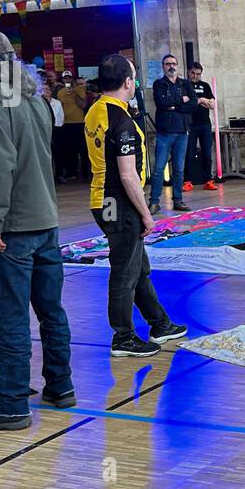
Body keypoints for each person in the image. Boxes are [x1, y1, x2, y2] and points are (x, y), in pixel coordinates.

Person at [0, 29, 74, 433]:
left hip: (14, 226)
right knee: (52, 311)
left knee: (11, 319)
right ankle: (60, 387)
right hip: (47, 219)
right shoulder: (36, 99)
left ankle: (11, 406)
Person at [86, 54, 187, 358]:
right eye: (133, 78)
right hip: (120, 202)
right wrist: (146, 213)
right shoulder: (122, 121)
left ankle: (160, 323)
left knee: (137, 267)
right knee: (125, 271)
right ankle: (123, 337)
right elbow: (128, 175)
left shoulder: (95, 111)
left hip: (103, 198)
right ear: (128, 82)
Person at [150, 54, 192, 212]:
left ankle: (178, 200)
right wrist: (182, 101)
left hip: (182, 131)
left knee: (179, 169)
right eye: (168, 64)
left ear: (177, 65)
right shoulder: (159, 84)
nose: (171, 66)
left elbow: (193, 104)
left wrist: (175, 105)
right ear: (163, 66)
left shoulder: (185, 84)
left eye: (173, 63)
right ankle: (154, 202)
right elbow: (162, 103)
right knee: (159, 168)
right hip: (164, 132)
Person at [183, 61, 218, 193]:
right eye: (193, 73)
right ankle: (187, 181)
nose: (195, 76)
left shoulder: (205, 86)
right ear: (189, 72)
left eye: (198, 74)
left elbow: (212, 104)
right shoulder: (185, 85)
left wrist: (199, 100)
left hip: (205, 124)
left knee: (207, 153)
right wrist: (201, 100)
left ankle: (208, 180)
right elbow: (187, 104)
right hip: (191, 125)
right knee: (190, 154)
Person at [56, 71, 90, 179]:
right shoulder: (60, 92)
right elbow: (58, 106)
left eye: (69, 78)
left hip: (79, 122)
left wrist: (74, 93)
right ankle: (72, 172)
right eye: (65, 78)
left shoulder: (79, 90)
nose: (67, 80)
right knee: (70, 150)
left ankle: (86, 172)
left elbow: (83, 105)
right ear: (62, 80)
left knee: (83, 149)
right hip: (66, 123)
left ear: (72, 79)